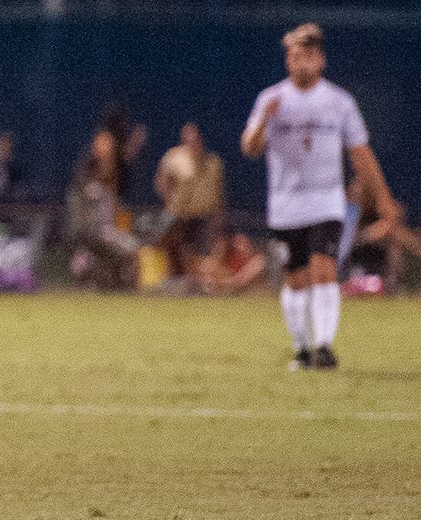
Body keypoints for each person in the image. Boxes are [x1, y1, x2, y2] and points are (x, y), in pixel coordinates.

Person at [241, 23, 399, 370]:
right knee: (295, 281)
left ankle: (324, 348)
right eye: (295, 57)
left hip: (327, 202)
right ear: (288, 61)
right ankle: (301, 349)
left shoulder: (339, 102)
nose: (301, 64)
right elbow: (250, 148)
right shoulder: (272, 100)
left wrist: (383, 197)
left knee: (325, 271)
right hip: (285, 207)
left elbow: (361, 154)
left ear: (320, 61)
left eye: (308, 57)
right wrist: (264, 121)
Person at [153, 122, 225, 289]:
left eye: (195, 137)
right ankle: (179, 282)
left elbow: (219, 193)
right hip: (181, 215)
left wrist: (218, 218)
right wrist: (170, 202)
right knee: (175, 248)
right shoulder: (174, 157)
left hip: (203, 215)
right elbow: (162, 182)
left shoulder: (212, 162)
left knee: (203, 253)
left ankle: (203, 285)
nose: (191, 140)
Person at [67, 128, 139, 289]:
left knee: (133, 246)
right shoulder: (88, 185)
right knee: (87, 257)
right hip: (93, 234)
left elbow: (115, 212)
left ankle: (120, 283)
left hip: (108, 233)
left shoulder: (111, 183)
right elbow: (83, 220)